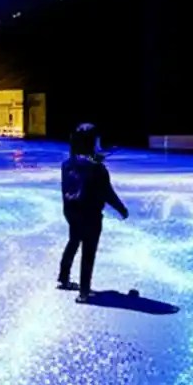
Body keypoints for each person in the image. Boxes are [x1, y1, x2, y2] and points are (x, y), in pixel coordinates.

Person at [58, 123, 128, 303]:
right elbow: (108, 194)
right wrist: (122, 210)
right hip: (90, 214)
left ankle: (63, 278)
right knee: (89, 251)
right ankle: (84, 292)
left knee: (73, 241)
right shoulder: (97, 168)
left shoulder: (66, 164)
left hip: (71, 211)